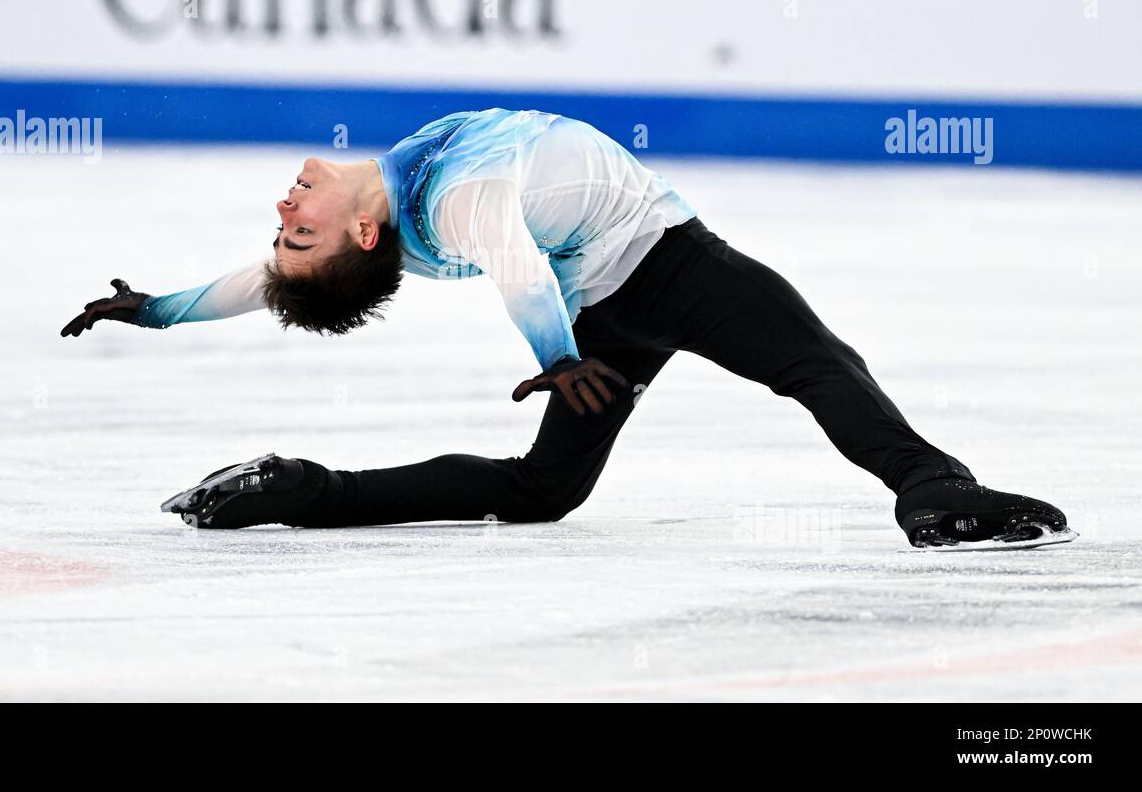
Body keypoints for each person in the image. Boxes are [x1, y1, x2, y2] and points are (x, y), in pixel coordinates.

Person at [61, 109, 1074, 549]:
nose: (284, 217)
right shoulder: (448, 201)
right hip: (661, 267)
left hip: (600, 303)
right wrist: (558, 358)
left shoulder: (387, 222)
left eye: (284, 231)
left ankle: (305, 490)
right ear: (361, 234)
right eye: (300, 232)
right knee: (815, 362)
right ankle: (934, 493)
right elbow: (505, 239)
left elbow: (259, 281)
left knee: (542, 490)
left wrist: (149, 308)